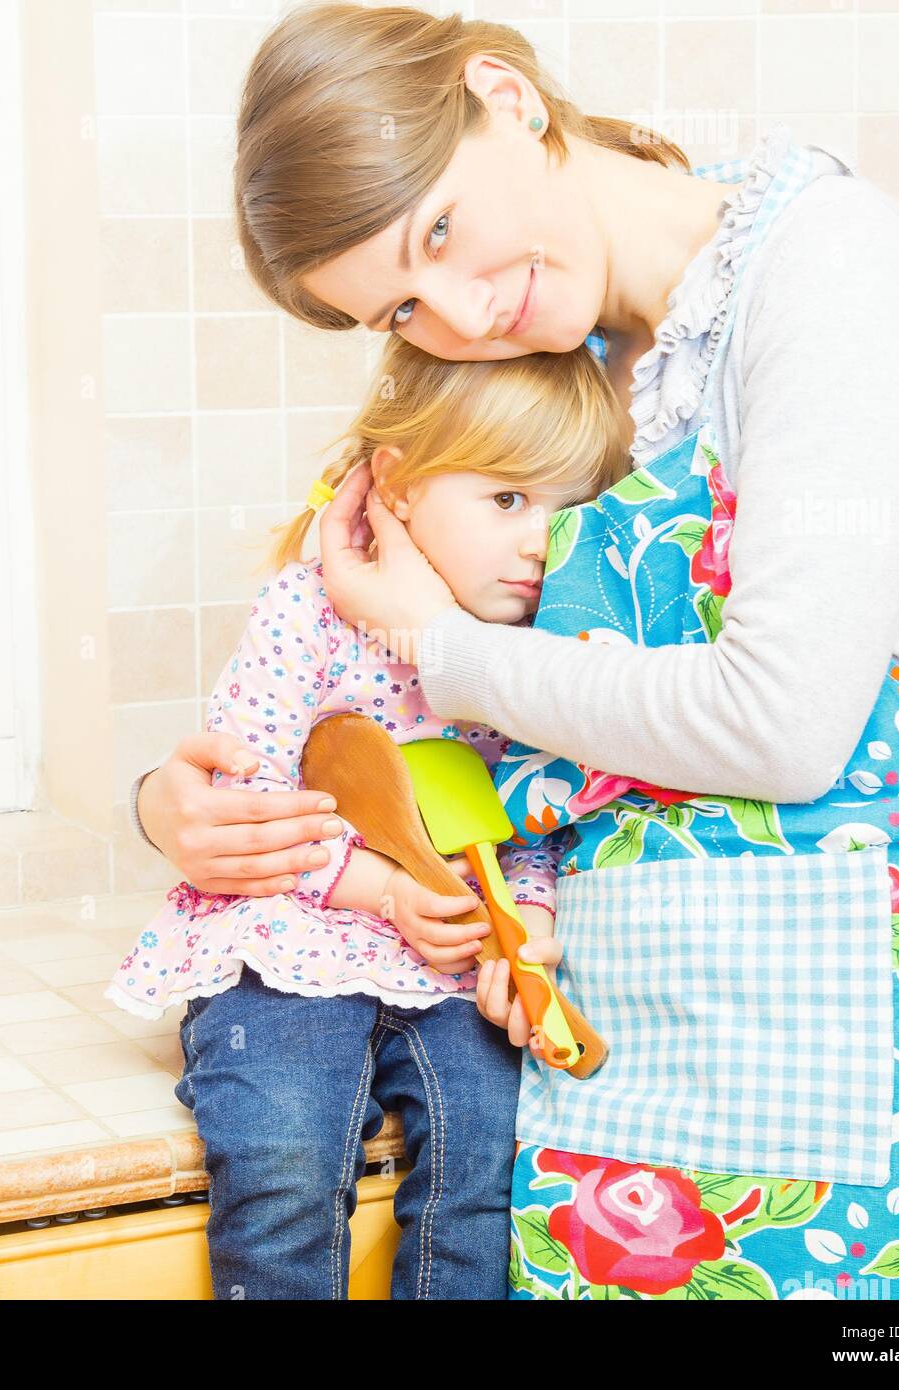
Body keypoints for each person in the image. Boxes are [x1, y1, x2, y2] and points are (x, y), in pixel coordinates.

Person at [131, 3, 899, 1299]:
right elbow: (399, 715)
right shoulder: (563, 376)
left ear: (506, 94)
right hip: (625, 1077)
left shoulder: (829, 268)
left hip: (871, 1052)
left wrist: (437, 645)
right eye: (401, 309)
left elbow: (784, 721)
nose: (461, 313)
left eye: (436, 233)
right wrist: (175, 805)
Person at [107, 332, 629, 1299]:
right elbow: (251, 804)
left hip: (452, 965)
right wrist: (383, 889)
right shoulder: (307, 612)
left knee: (487, 1161)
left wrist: (529, 920)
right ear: (395, 486)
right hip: (290, 943)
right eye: (508, 498)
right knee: (282, 1161)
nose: (537, 540)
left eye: (568, 508)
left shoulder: (547, 651)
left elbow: (544, 825)